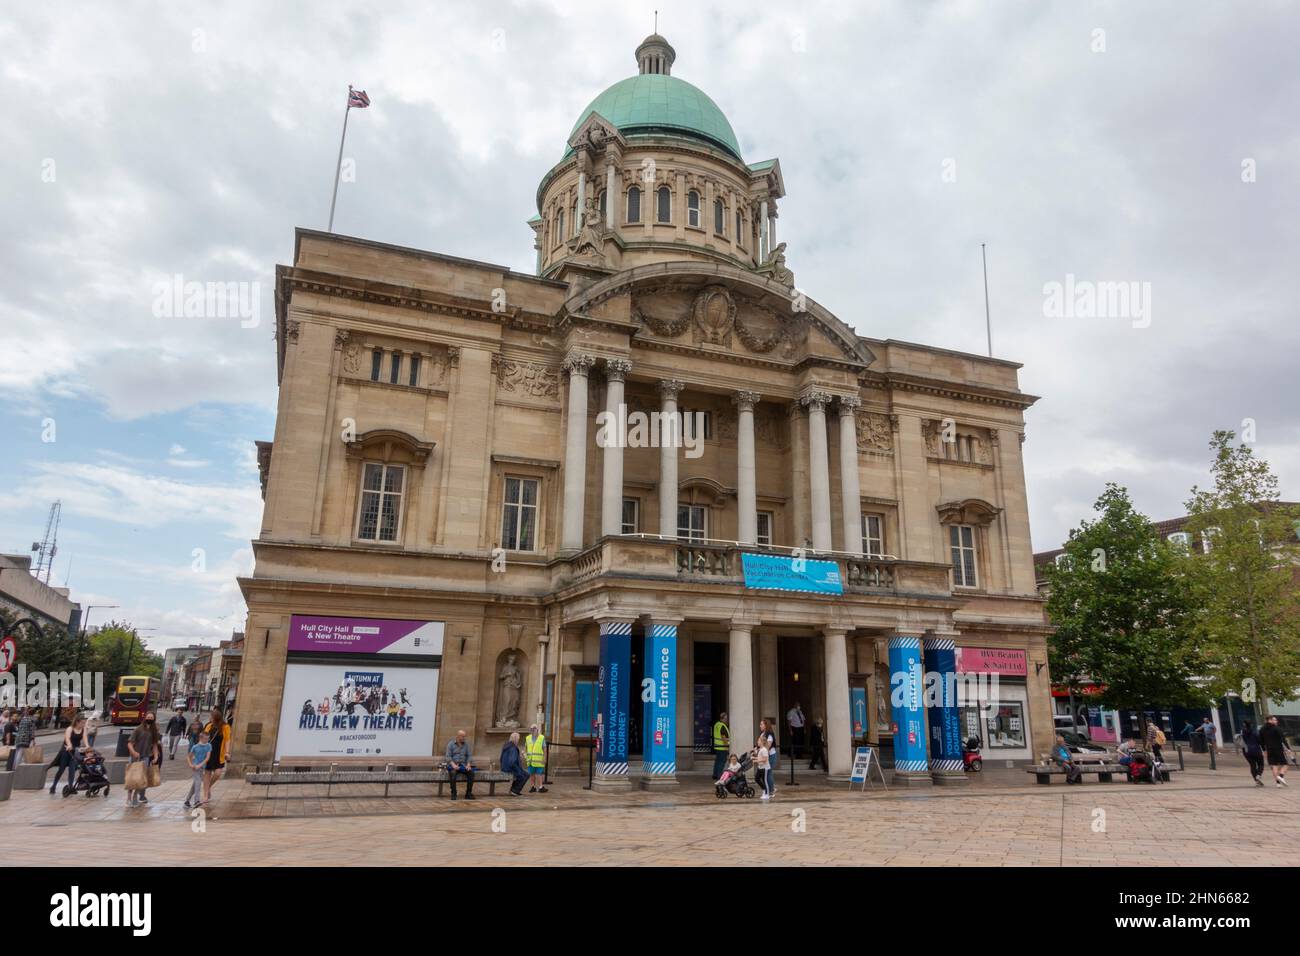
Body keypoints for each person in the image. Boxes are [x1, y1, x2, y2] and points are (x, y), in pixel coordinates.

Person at [125, 713, 162, 808]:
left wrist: (156, 756)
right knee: (132, 777)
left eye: (151, 718)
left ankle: (135, 797)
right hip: (135, 756)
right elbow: (129, 743)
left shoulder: (153, 731)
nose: (149, 719)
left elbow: (154, 745)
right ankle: (128, 797)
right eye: (148, 717)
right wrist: (133, 752)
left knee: (141, 778)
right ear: (145, 718)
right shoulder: (138, 729)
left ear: (154, 719)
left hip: (146, 756)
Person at [49, 716, 86, 794]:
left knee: (72, 770)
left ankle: (70, 787)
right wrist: (69, 745)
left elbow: (85, 739)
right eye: (82, 722)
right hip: (66, 751)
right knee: (61, 769)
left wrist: (88, 746)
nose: (84, 724)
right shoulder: (70, 729)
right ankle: (53, 786)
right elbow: (67, 738)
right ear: (77, 722)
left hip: (74, 752)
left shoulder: (83, 730)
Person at [202, 708, 231, 805]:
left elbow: (227, 740)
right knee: (207, 773)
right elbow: (204, 739)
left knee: (218, 773)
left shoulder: (225, 727)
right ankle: (205, 795)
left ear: (216, 718)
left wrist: (227, 752)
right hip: (208, 753)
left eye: (211, 716)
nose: (210, 718)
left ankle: (208, 786)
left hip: (219, 754)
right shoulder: (209, 726)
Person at [1258, 715, 1290, 787]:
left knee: (1274, 765)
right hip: (1278, 749)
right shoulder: (1276, 728)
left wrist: (1264, 750)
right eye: (1274, 720)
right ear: (1270, 720)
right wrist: (1288, 748)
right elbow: (1283, 739)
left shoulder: (1262, 729)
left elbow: (1261, 741)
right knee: (1285, 764)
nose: (1275, 721)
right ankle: (1281, 776)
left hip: (1269, 749)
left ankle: (1278, 783)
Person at [184, 730, 211, 809]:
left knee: (194, 785)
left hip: (201, 767)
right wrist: (191, 765)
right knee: (198, 783)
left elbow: (207, 758)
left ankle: (187, 801)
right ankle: (196, 801)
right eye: (205, 739)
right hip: (195, 767)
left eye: (208, 739)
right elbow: (188, 757)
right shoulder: (195, 747)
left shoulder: (209, 745)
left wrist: (200, 765)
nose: (207, 740)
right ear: (200, 738)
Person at [444, 729, 475, 800]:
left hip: (463, 765)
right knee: (453, 773)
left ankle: (468, 793)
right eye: (463, 737)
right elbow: (448, 756)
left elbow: (469, 756)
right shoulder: (451, 744)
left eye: (465, 736)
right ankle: (453, 793)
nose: (464, 738)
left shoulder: (466, 745)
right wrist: (453, 765)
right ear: (458, 736)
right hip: (454, 765)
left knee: (471, 773)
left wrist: (468, 764)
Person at [500, 731, 528, 796]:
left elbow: (502, 758)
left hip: (505, 767)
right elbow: (512, 762)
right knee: (524, 775)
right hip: (510, 768)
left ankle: (513, 789)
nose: (518, 740)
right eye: (518, 739)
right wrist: (518, 770)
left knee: (523, 773)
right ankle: (515, 790)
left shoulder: (507, 745)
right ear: (515, 739)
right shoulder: (513, 748)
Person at [1239, 721, 1265, 786]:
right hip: (1256, 750)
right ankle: (1258, 775)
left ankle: (1256, 780)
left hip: (1246, 751)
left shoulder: (1242, 733)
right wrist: (1264, 749)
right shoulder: (1255, 733)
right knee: (1261, 764)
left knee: (1252, 765)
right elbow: (1260, 742)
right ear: (1251, 725)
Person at [524, 723, 547, 793]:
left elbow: (544, 749)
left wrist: (544, 758)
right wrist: (525, 755)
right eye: (531, 729)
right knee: (531, 774)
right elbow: (525, 748)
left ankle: (540, 787)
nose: (533, 730)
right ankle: (533, 787)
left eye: (534, 729)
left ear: (537, 730)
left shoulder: (541, 738)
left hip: (539, 760)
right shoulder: (527, 738)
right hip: (530, 760)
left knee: (539, 774)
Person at [12, 707, 36, 771]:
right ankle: (16, 768)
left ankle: (14, 766)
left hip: (18, 737)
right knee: (20, 753)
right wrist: (33, 739)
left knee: (17, 752)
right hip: (25, 739)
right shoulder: (32, 720)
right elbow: (32, 730)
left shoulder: (22, 719)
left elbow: (19, 728)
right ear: (33, 714)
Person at [759, 718, 777, 792]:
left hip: (771, 756)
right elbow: (760, 744)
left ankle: (771, 790)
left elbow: (767, 746)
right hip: (765, 755)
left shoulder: (769, 734)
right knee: (766, 773)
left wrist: (760, 751)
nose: (760, 726)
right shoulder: (762, 734)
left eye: (761, 724)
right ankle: (770, 788)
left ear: (766, 725)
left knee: (768, 772)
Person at [711, 712, 730, 780]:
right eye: (726, 718)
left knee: (717, 761)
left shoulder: (717, 724)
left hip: (717, 746)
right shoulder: (722, 726)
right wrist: (727, 747)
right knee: (721, 762)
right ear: (723, 718)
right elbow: (723, 738)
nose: (727, 720)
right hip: (722, 747)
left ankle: (715, 774)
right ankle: (719, 776)